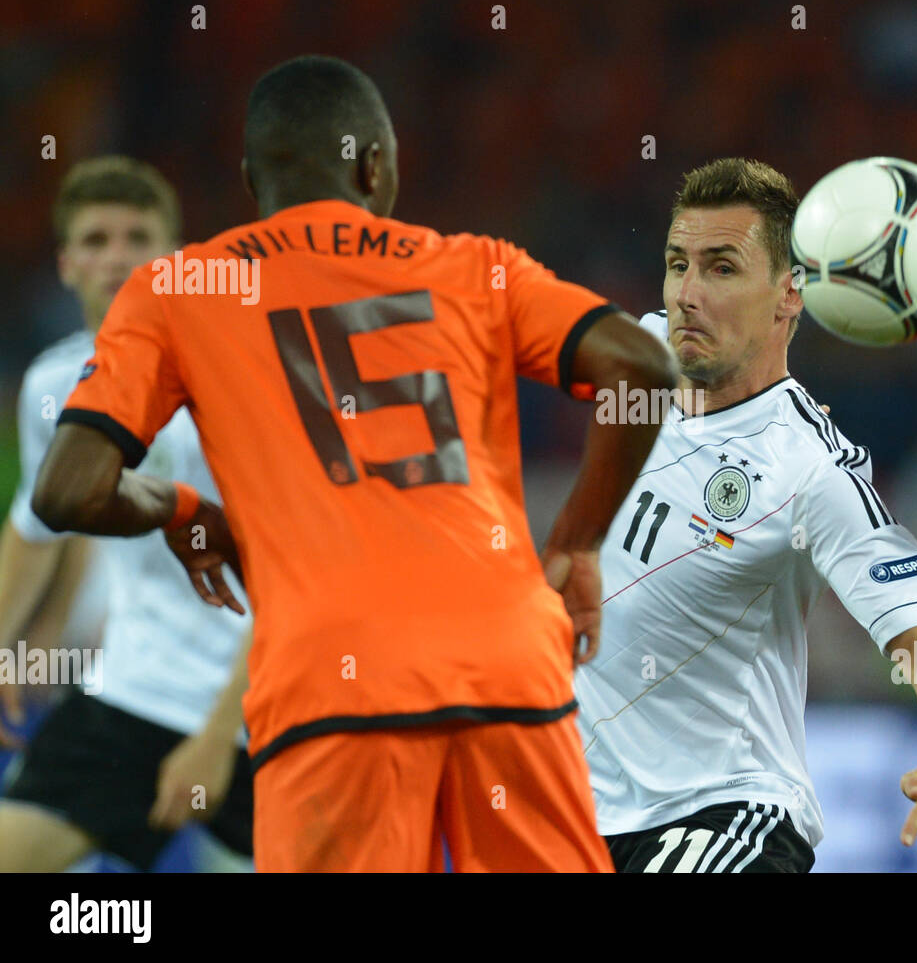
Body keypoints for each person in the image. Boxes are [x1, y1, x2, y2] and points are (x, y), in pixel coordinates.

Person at [30, 56, 677, 873]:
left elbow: (67, 488)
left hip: (333, 686)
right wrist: (580, 541)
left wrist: (182, 509)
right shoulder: (479, 266)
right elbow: (645, 368)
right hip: (508, 666)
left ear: (250, 178)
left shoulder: (181, 288)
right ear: (374, 164)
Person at [574, 157, 917, 873]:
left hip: (730, 816)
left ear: (790, 293)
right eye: (678, 265)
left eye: (722, 269)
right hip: (583, 816)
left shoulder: (811, 468)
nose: (687, 294)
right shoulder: (638, 356)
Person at [0, 156, 254, 873]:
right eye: (96, 238)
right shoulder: (53, 385)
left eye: (138, 236)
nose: (117, 256)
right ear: (65, 263)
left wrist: (216, 733)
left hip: (265, 705)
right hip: (135, 689)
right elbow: (34, 529)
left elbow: (294, 572)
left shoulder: (235, 378)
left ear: (176, 260)